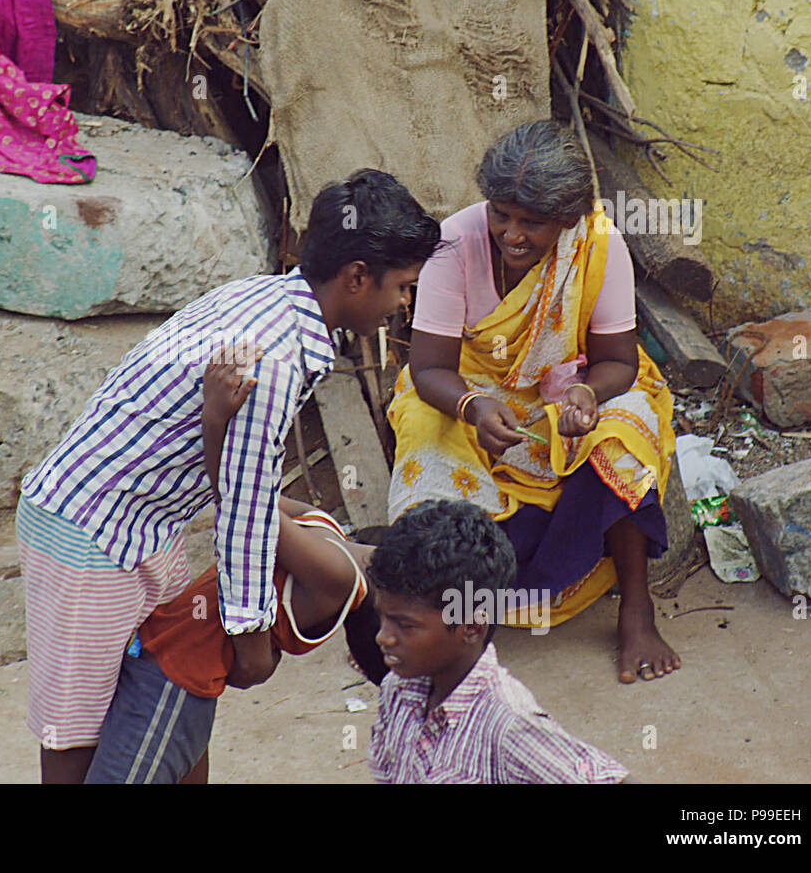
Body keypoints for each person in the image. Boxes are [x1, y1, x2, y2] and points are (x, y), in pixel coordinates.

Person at [18, 169, 442, 782]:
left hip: (138, 523)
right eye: (403, 286)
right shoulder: (274, 359)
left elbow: (245, 477)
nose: (405, 302)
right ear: (356, 277)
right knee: (80, 728)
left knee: (173, 686)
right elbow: (242, 510)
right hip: (90, 534)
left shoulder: (267, 302)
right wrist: (252, 637)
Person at [386, 120, 679, 684]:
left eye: (532, 222)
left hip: (566, 400)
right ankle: (422, 616)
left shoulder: (597, 245)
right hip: (467, 398)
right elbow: (427, 370)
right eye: (501, 214)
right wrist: (472, 406)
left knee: (627, 422)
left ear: (568, 219)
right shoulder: (454, 242)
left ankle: (636, 609)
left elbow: (618, 360)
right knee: (423, 429)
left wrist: (587, 394)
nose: (511, 234)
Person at [84, 352, 378, 784]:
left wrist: (215, 417)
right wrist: (215, 416)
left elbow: (243, 501)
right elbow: (240, 496)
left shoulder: (336, 573)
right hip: (168, 670)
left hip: (174, 681)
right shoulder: (328, 540)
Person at [368, 500, 629, 783]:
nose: (383, 636)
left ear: (471, 627)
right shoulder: (397, 690)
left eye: (405, 625)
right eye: (382, 617)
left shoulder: (509, 725)